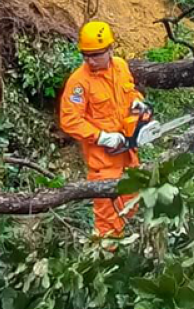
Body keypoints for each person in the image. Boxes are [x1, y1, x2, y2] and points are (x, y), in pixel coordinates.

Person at [59, 21, 148, 239]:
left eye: (96, 54)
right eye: (86, 55)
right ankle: (107, 261)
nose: (90, 60)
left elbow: (130, 92)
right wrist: (101, 137)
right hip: (104, 162)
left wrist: (138, 103)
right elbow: (69, 119)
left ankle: (122, 249)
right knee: (108, 221)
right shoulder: (79, 83)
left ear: (110, 49)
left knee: (131, 206)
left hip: (129, 155)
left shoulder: (120, 66)